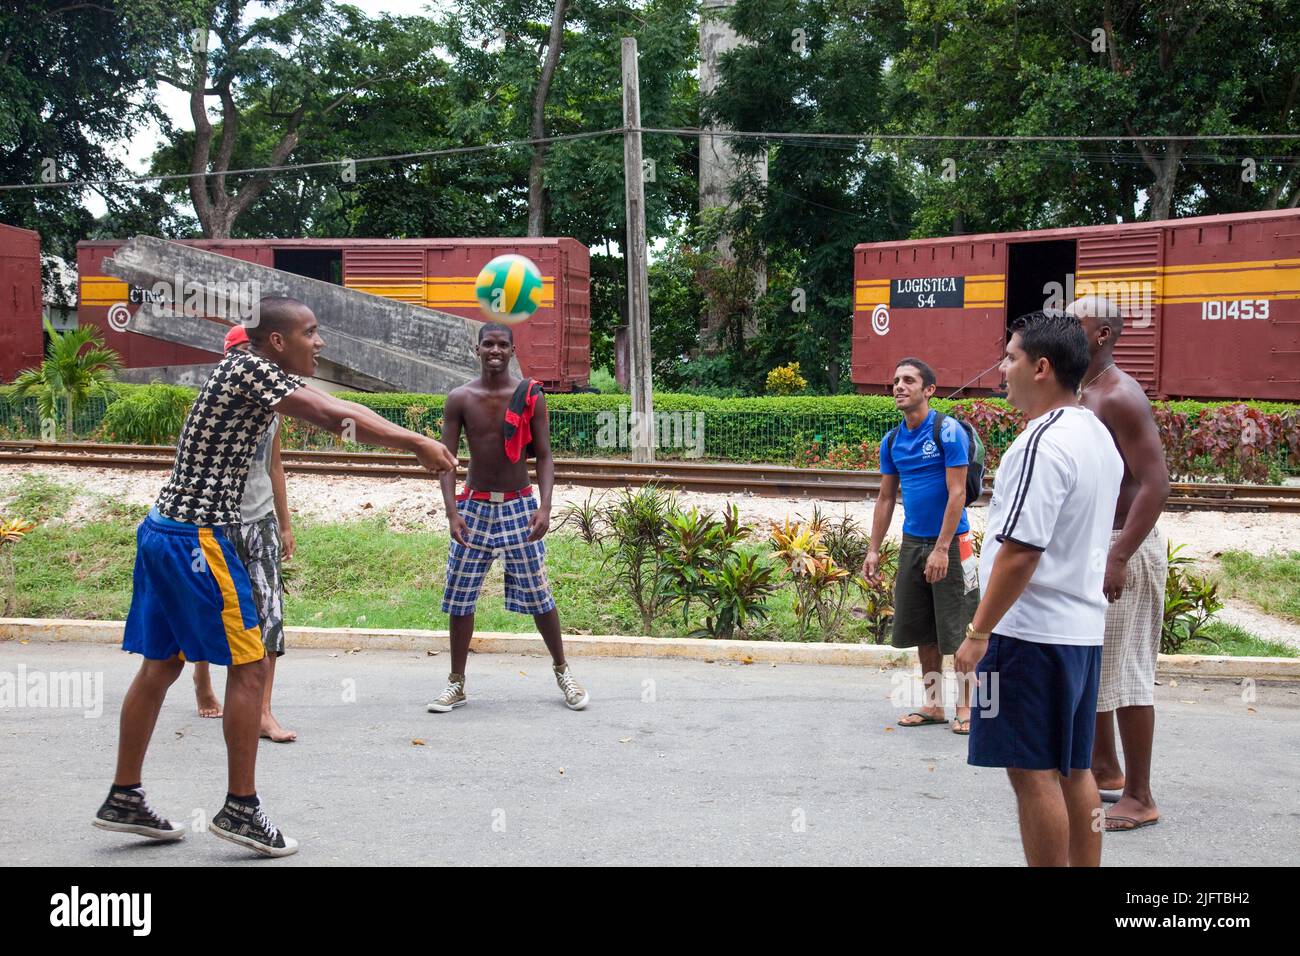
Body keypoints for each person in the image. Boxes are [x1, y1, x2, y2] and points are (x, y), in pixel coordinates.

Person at [93, 297, 458, 857]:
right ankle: (241, 809)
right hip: (202, 539)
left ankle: (124, 795)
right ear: (278, 341)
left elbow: (326, 409)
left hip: (165, 530)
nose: (321, 342)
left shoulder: (249, 372)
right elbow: (330, 413)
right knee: (252, 665)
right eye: (311, 332)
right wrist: (416, 444)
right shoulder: (250, 367)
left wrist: (408, 444)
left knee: (162, 664)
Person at [956, 311, 1122, 867]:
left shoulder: (1039, 441)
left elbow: (1022, 550)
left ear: (1042, 367)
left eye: (1011, 357)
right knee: (1074, 769)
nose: (1003, 369)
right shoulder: (1095, 433)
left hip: (1028, 635)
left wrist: (979, 632)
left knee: (1032, 774)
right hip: (1080, 633)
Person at [427, 322, 588, 713]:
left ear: (512, 350)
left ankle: (563, 671)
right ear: (477, 349)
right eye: (488, 344)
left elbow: (545, 455)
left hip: (519, 505)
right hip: (474, 507)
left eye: (502, 345)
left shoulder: (529, 395)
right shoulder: (460, 398)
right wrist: (452, 513)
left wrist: (545, 506)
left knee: (539, 595)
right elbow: (445, 463)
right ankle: (456, 683)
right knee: (460, 598)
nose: (495, 350)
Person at [1067, 296, 1170, 832]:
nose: (1063, 327)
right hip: (1097, 544)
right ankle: (1105, 767)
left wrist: (1120, 553)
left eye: (1074, 322)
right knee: (1094, 660)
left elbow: (1156, 484)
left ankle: (1141, 794)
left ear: (1102, 334)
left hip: (1123, 546)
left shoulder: (1120, 395)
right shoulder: (1082, 390)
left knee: (1127, 672)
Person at [863, 357, 979, 734]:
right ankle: (933, 704)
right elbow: (885, 498)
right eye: (896, 380)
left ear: (929, 390)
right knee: (923, 629)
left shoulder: (947, 433)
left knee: (958, 626)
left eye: (909, 381)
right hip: (913, 542)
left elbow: (957, 492)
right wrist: (874, 549)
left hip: (953, 543)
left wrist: (942, 549)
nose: (899, 386)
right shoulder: (892, 440)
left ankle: (965, 706)